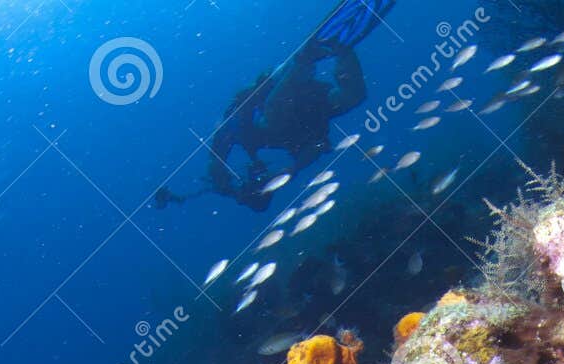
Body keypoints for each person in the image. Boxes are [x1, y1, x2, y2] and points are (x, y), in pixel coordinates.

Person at [154, 2, 394, 211]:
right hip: (309, 110)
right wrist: (290, 169)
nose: (258, 176)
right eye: (263, 185)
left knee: (274, 114)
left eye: (255, 182)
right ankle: (341, 51)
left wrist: (223, 179)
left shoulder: (243, 132)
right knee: (354, 96)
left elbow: (219, 148)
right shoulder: (287, 158)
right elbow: (316, 146)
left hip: (281, 90)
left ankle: (302, 61)